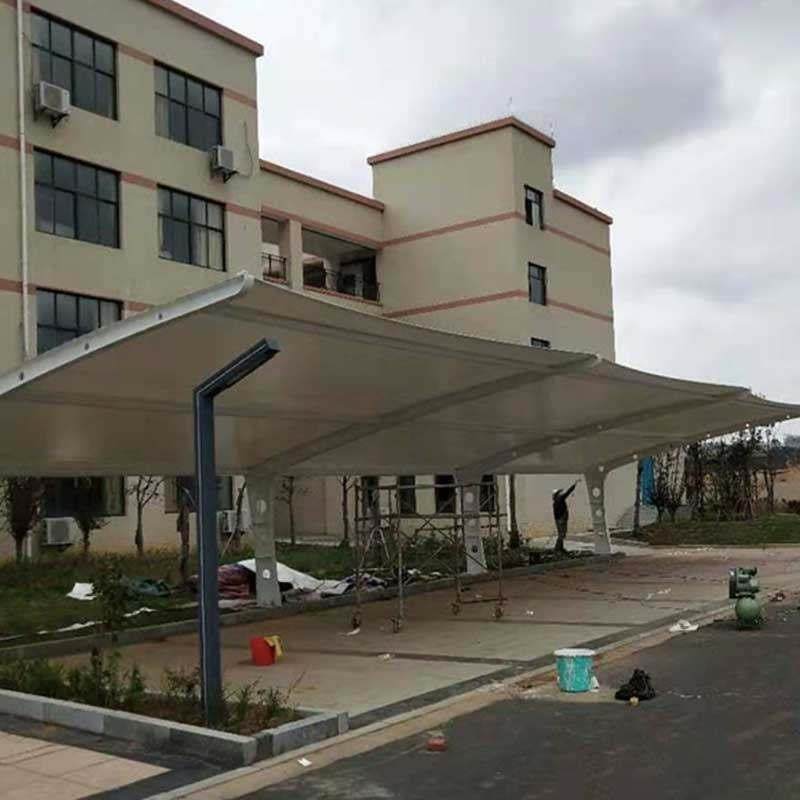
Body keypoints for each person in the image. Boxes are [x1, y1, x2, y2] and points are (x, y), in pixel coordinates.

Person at [552, 480, 580, 553]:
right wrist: (574, 485)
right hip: (561, 519)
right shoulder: (560, 498)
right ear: (557, 494)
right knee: (562, 534)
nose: (561, 493)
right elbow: (568, 492)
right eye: (560, 492)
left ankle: (560, 548)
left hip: (559, 520)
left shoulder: (555, 502)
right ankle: (557, 548)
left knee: (561, 534)